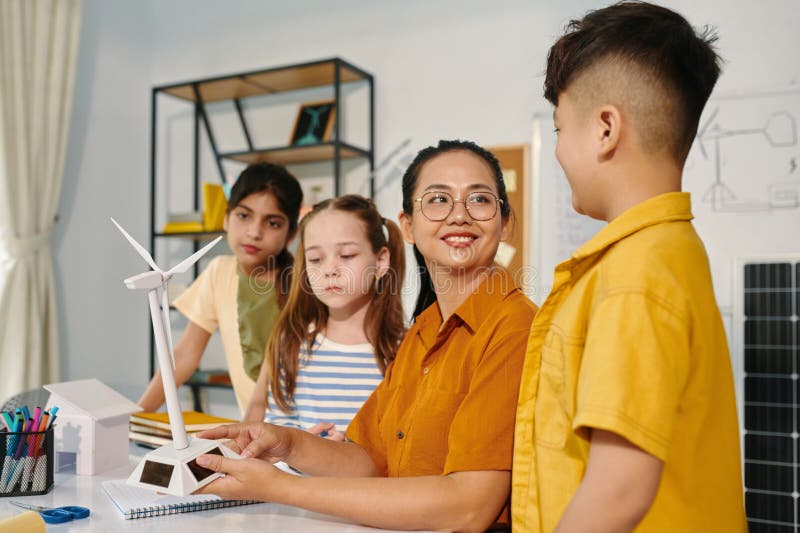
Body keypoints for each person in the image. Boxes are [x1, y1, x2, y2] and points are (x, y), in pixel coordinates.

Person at [194, 139, 537, 532]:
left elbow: (469, 508)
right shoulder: (423, 332)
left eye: (479, 199)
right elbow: (369, 459)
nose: (459, 215)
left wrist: (283, 488)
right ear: (407, 225)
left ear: (505, 222)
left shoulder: (513, 327)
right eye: (438, 200)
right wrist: (286, 444)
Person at [511, 3, 746, 532]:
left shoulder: (636, 273)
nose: (558, 152)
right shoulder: (669, 252)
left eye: (560, 129)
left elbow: (617, 492)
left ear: (605, 129)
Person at [138, 163, 303, 415]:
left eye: (272, 223)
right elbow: (183, 357)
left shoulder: (305, 284)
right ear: (226, 218)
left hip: (304, 430)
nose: (254, 232)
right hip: (253, 432)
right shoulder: (219, 273)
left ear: (291, 235)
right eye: (244, 216)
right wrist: (138, 414)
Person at [242, 194, 406, 441]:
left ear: (381, 261)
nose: (329, 269)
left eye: (347, 255)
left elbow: (407, 442)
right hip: (301, 479)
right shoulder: (291, 343)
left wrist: (347, 455)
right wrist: (305, 451)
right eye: (316, 259)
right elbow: (280, 430)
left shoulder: (406, 348)